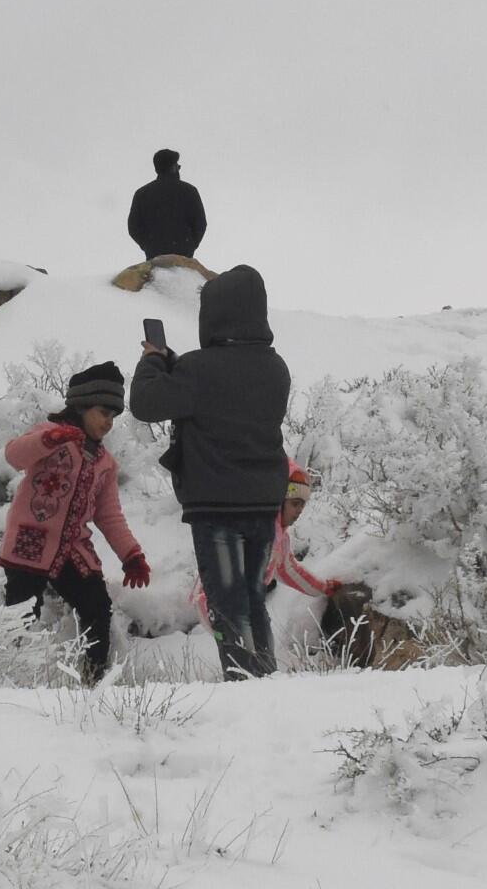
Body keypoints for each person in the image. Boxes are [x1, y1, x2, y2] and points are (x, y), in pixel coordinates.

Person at [130, 264, 290, 679]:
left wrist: (153, 361)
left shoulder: (197, 371)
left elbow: (147, 404)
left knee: (226, 606)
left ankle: (242, 683)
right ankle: (267, 681)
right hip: (262, 504)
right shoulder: (276, 368)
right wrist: (179, 365)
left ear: (213, 314)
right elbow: (228, 388)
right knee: (253, 600)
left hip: (215, 507)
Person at [0, 361, 151, 685]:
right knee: (21, 613)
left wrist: (131, 555)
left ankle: (94, 682)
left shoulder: (105, 463)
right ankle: (4, 676)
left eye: (113, 416)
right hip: (30, 542)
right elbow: (14, 455)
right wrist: (50, 439)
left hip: (73, 549)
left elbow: (109, 516)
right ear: (81, 406)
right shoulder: (47, 436)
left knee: (97, 607)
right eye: (103, 413)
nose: (109, 423)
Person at [191, 459, 345, 633]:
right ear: (278, 500)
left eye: (302, 505)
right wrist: (219, 626)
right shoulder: (249, 528)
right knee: (246, 657)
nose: (299, 511)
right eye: (295, 503)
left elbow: (290, 570)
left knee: (263, 656)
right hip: (223, 612)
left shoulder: (281, 539)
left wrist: (323, 587)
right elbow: (213, 578)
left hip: (251, 610)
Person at [126, 148, 207, 262]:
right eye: (178, 166)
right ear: (173, 168)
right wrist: (190, 245)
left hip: (154, 256)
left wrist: (149, 245)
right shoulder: (189, 191)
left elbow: (133, 228)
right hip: (184, 257)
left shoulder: (142, 194)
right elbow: (200, 223)